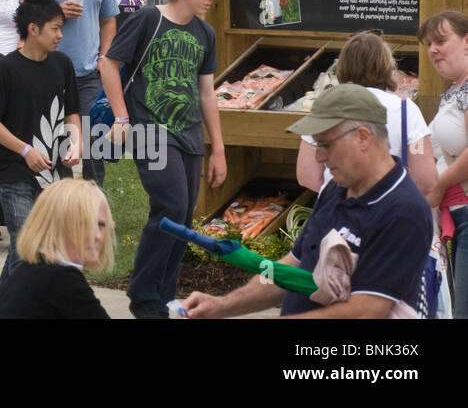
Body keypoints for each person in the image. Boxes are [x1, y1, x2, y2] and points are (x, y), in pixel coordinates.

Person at [185, 83, 434, 319]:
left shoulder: (403, 211)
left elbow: (366, 310)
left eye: (326, 145)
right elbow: (289, 269)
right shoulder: (335, 190)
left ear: (363, 137)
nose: (319, 156)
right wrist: (221, 306)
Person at [99, 0, 226, 319]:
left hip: (189, 134)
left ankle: (164, 297)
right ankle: (143, 295)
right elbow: (109, 63)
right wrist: (122, 116)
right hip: (149, 129)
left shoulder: (205, 33)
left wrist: (218, 147)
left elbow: (206, 93)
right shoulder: (148, 19)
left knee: (183, 217)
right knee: (171, 205)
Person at [0, 0, 80, 292]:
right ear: (33, 29)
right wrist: (25, 150)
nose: (60, 35)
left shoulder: (62, 64)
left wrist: (76, 143)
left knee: (39, 246)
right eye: (55, 28)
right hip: (15, 170)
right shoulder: (4, 69)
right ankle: (12, 307)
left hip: (54, 171)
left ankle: (1, 303)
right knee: (25, 243)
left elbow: (72, 113)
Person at [30, 0, 118, 188]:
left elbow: (108, 21)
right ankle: (60, 198)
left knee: (93, 141)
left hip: (88, 71)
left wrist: (104, 56)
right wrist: (56, 13)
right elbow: (28, 22)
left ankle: (94, 201)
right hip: (48, 70)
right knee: (54, 139)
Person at [295, 31, 435, 195]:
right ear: (387, 66)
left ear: (342, 66)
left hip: (340, 212)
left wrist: (338, 197)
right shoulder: (405, 109)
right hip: (390, 210)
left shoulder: (325, 106)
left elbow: (307, 175)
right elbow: (426, 181)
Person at [0, 178, 113, 319]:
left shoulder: (26, 273)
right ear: (58, 226)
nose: (96, 235)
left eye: (101, 225)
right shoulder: (61, 281)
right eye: (84, 224)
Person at [418, 10, 468, 316]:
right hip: (457, 218)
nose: (433, 49)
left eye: (441, 40)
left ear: (467, 42)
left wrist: (436, 187)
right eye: (428, 43)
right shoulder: (451, 93)